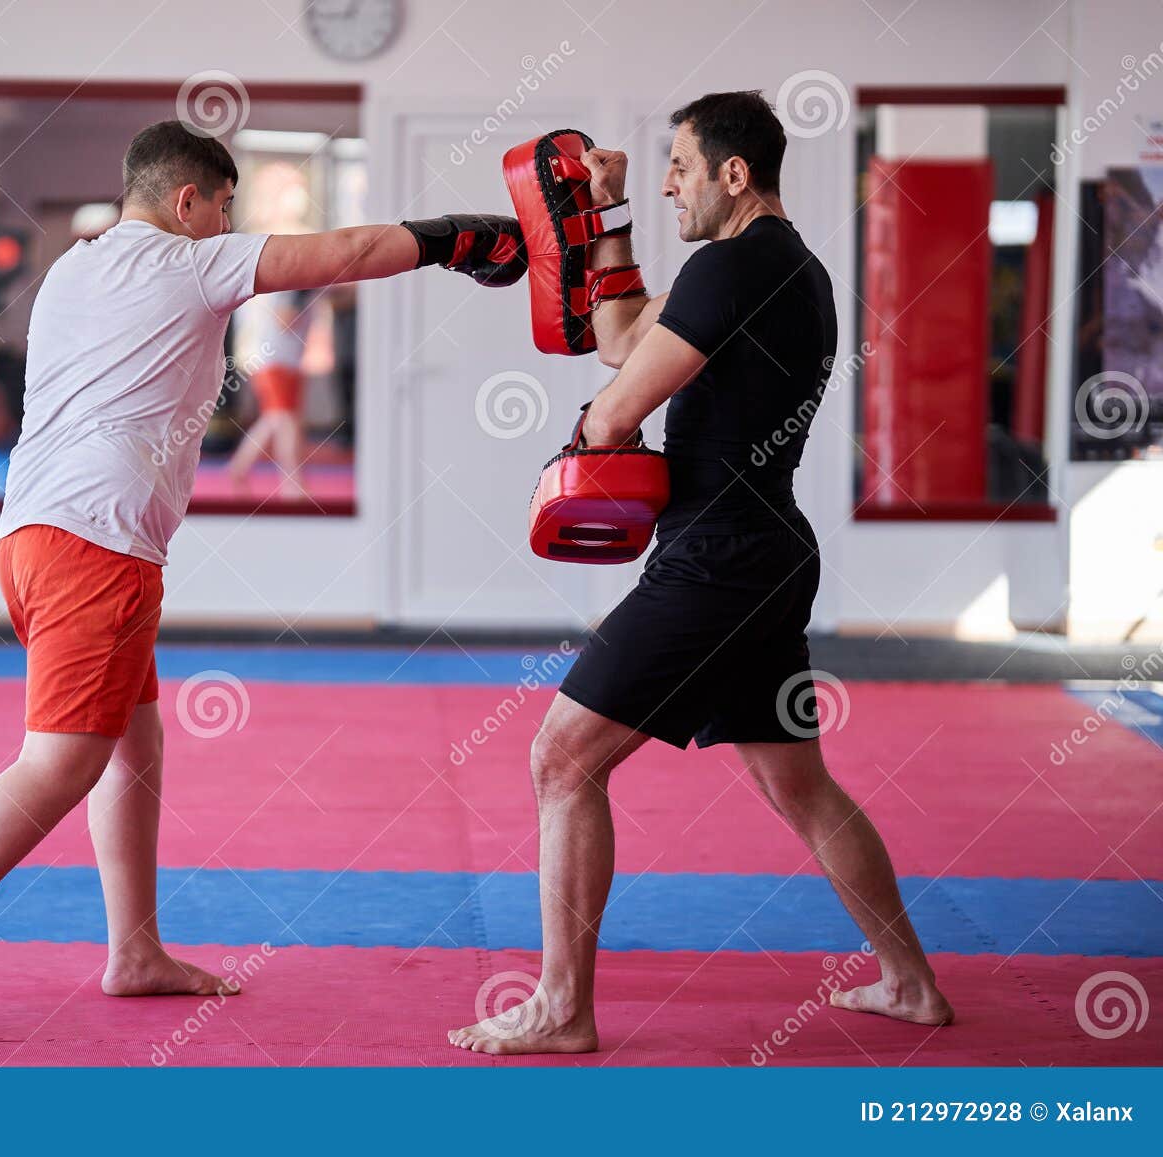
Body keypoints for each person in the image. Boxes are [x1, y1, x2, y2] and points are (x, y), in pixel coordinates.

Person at [0, 120, 524, 1042]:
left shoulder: (75, 266)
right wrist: (464, 238)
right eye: (223, 206)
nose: (228, 224)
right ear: (187, 202)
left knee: (135, 742)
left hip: (41, 536)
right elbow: (350, 250)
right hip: (92, 547)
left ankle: (134, 951)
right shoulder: (186, 262)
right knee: (61, 759)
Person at [449, 91, 953, 1055]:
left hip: (719, 560)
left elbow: (613, 404)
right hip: (766, 551)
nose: (671, 180)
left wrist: (583, 446)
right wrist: (611, 214)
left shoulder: (730, 268)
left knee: (562, 759)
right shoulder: (790, 268)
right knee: (800, 786)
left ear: (734, 174)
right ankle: (910, 983)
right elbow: (621, 335)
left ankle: (561, 1008)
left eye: (679, 166)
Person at [226, 288, 315, 500]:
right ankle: (292, 482)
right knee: (286, 421)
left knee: (274, 419)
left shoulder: (299, 288)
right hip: (275, 361)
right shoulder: (296, 288)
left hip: (288, 361)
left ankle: (239, 467)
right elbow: (285, 321)